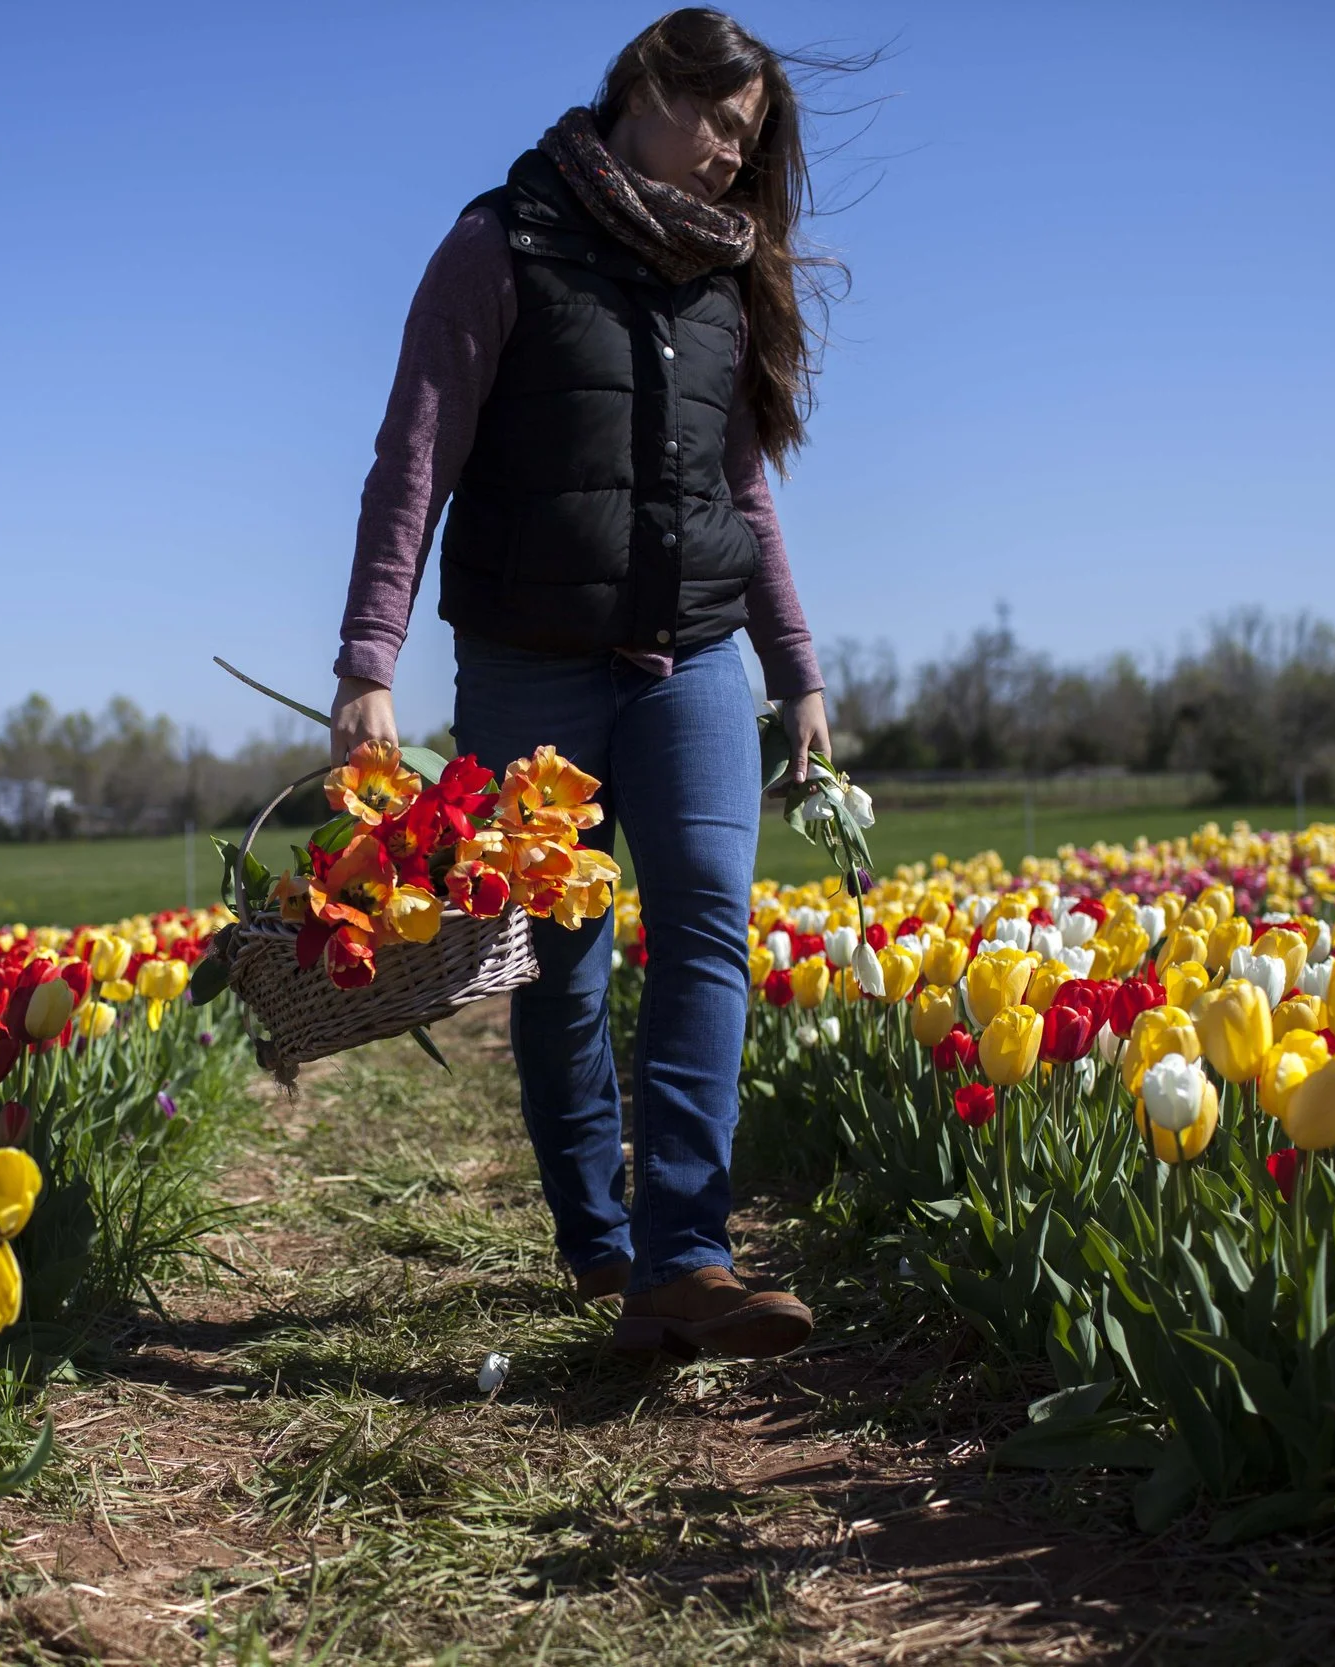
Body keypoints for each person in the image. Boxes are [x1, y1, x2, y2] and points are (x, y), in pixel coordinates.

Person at [329, 8, 836, 1360]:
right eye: (722, 125)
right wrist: (367, 659)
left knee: (710, 923)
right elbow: (414, 456)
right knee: (559, 965)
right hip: (526, 671)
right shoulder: (501, 242)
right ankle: (596, 1243)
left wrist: (800, 675)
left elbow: (747, 496)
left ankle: (687, 1253)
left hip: (695, 663)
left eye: (753, 140)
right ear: (646, 90)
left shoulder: (720, 280)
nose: (736, 159)